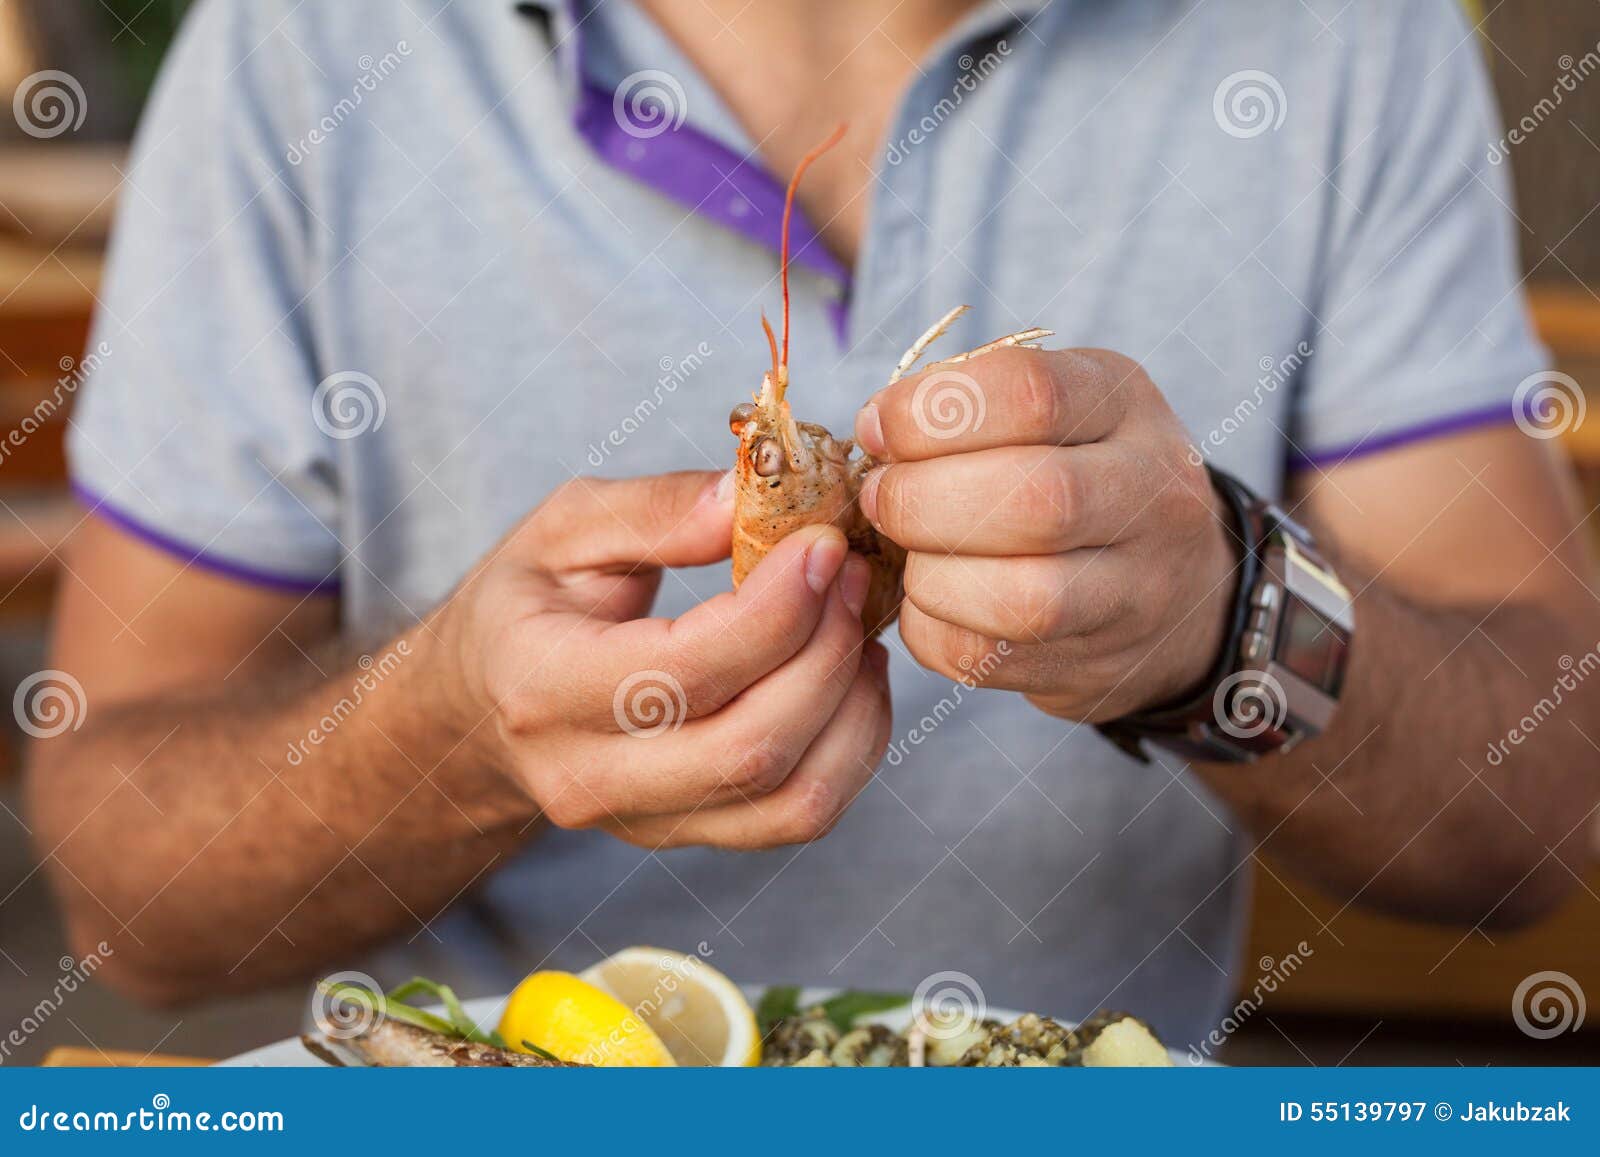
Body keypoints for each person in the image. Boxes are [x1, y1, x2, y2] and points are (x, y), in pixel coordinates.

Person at [26, 0, 1599, 1046]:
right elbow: (126, 888)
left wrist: (1229, 617)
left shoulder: (1342, 35)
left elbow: (1546, 800)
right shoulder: (301, 45)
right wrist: (449, 735)